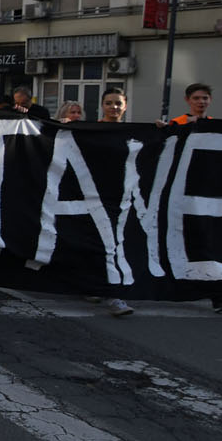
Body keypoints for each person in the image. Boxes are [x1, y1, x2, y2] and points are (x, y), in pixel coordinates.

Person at [167, 82, 222, 311]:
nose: (201, 102)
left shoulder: (217, 126)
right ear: (188, 100)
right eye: (197, 98)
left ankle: (221, 294)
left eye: (205, 98)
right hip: (179, 194)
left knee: (208, 244)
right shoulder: (176, 124)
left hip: (207, 196)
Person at [90, 88, 135, 317]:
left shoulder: (134, 132)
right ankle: (108, 291)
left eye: (118, 103)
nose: (114, 107)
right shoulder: (91, 130)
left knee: (115, 245)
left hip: (123, 198)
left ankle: (107, 290)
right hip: (95, 197)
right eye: (109, 103)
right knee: (104, 244)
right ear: (102, 106)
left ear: (125, 106)